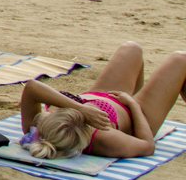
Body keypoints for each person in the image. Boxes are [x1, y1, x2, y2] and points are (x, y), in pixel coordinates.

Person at [18, 42, 186, 159]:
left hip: (103, 94)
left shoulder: (39, 127)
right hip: (137, 114)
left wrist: (81, 108)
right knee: (181, 60)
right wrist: (133, 104)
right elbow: (147, 146)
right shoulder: (104, 140)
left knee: (131, 48)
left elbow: (32, 87)